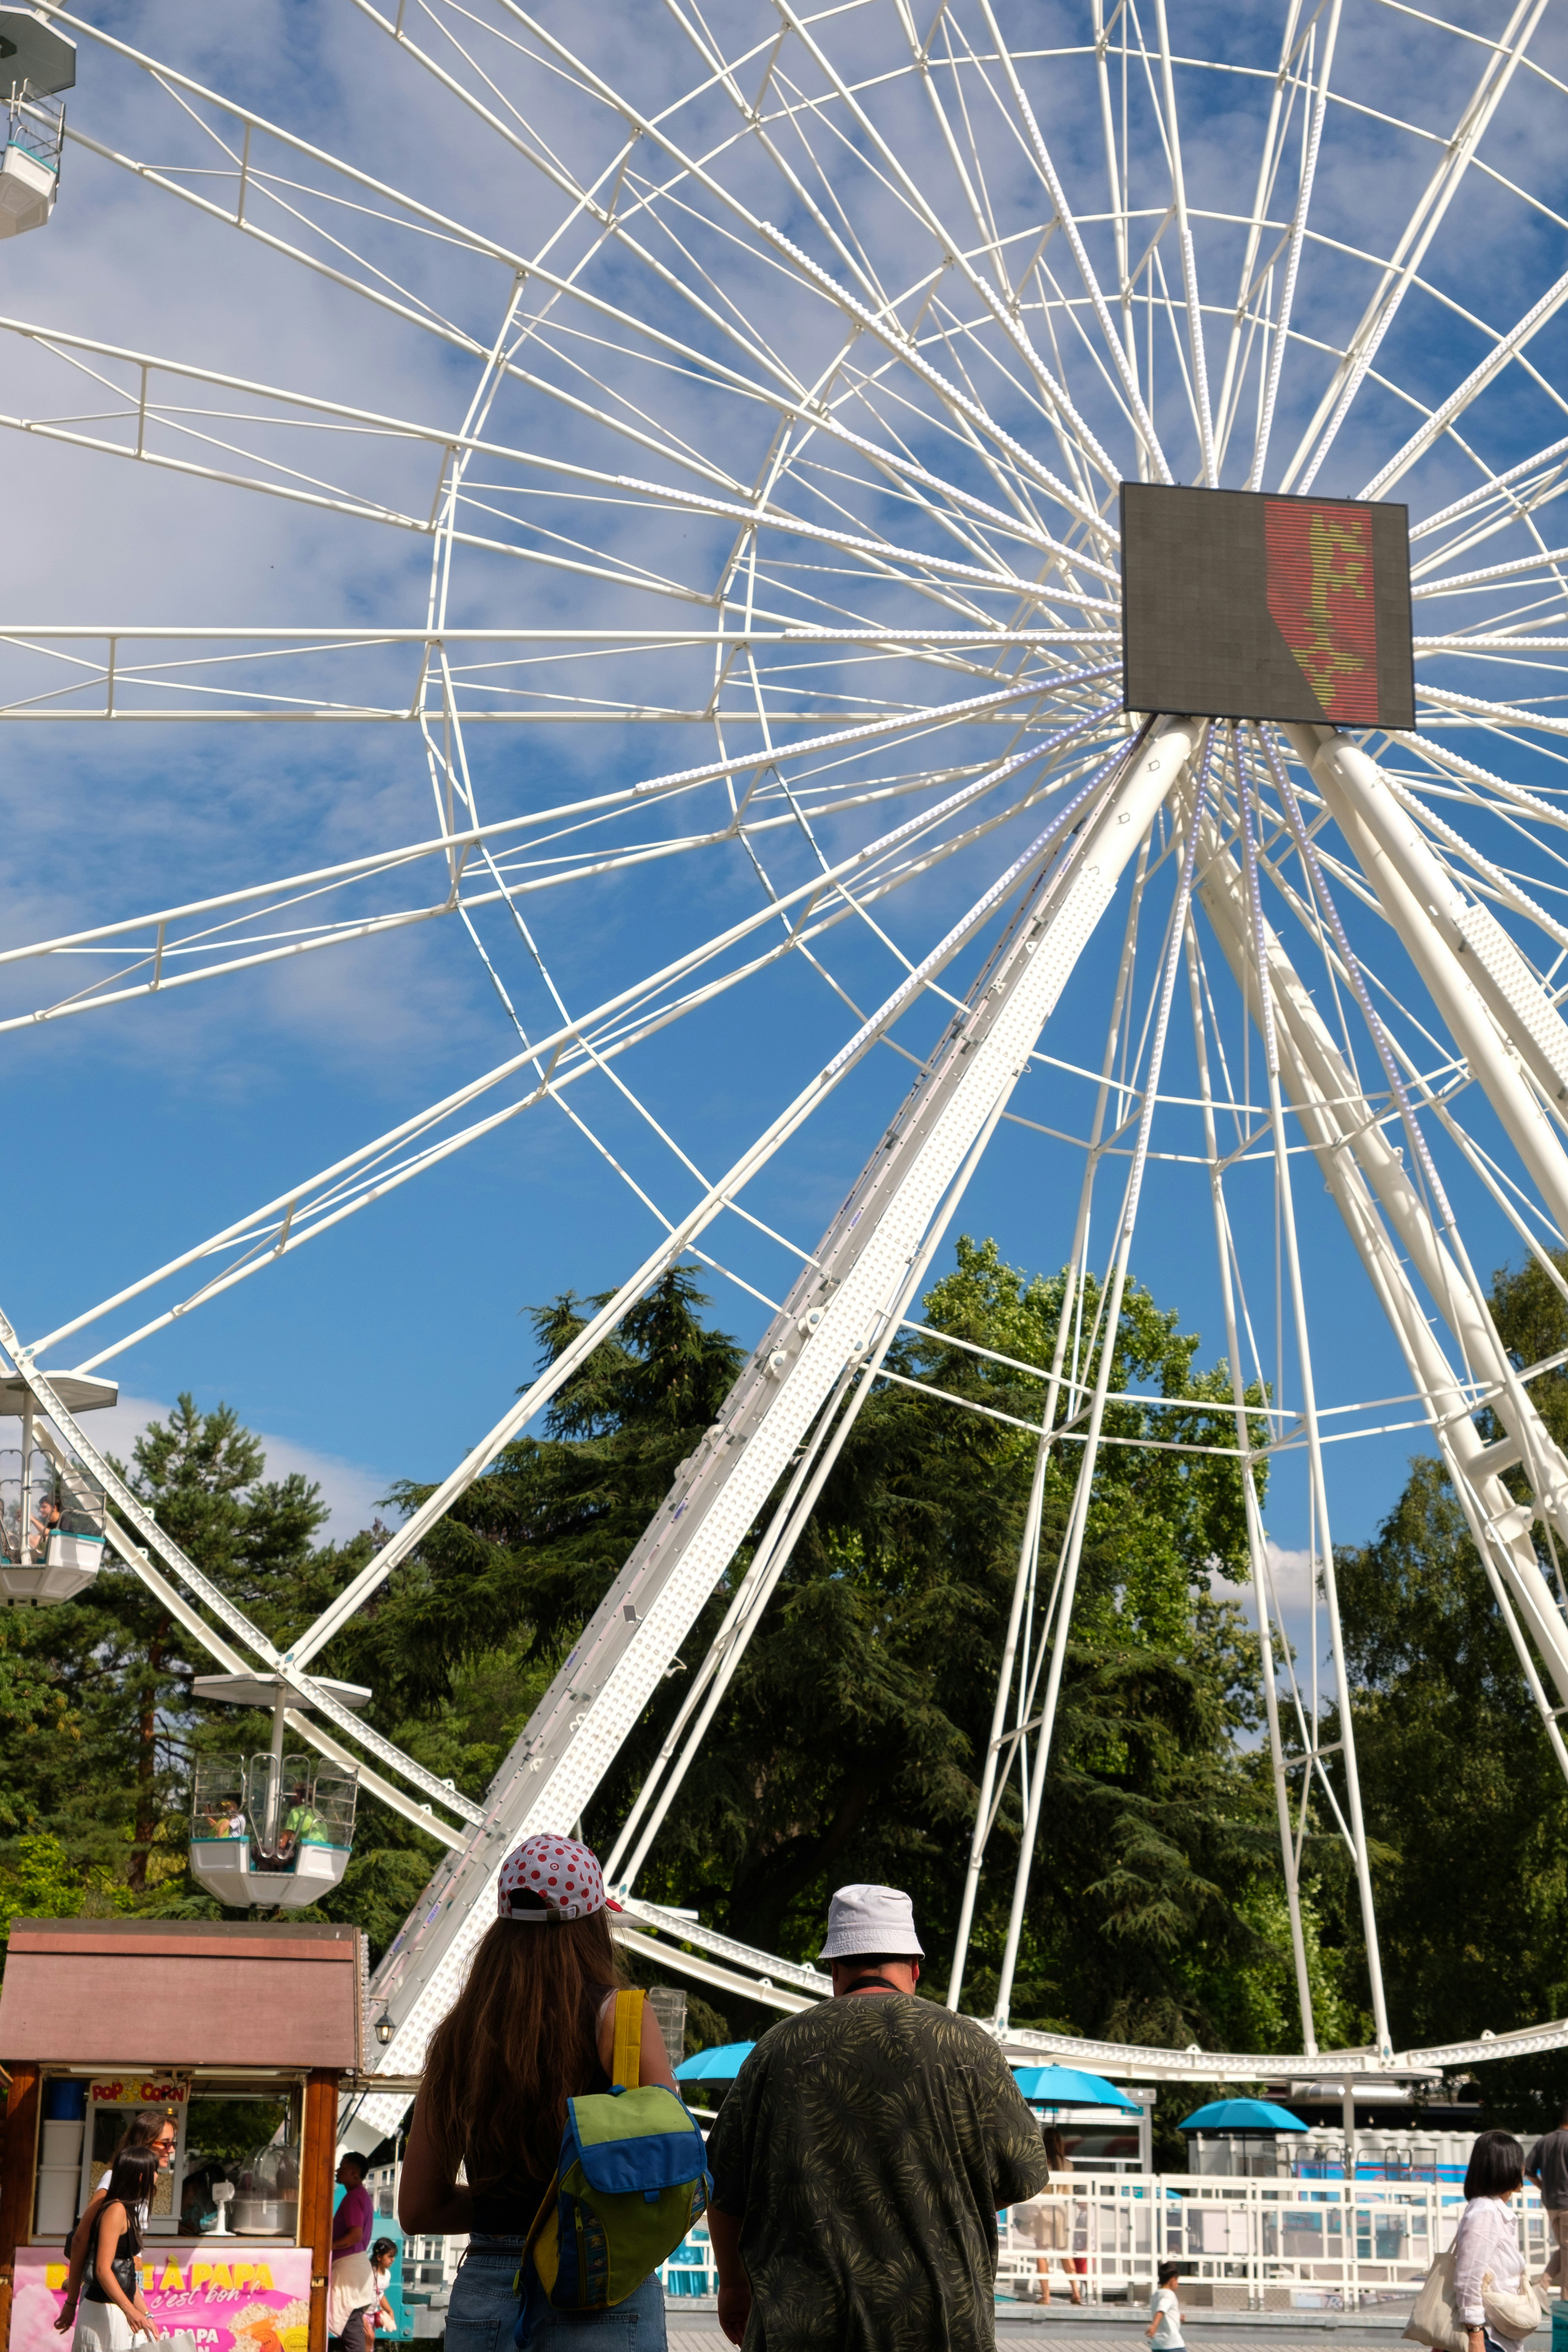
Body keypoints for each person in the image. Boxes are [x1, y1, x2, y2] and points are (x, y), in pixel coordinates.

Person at [706, 1882, 1051, 2352]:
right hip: (940, 2323)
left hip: (803, 2325)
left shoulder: (778, 2048)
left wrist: (734, 2285)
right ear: (913, 1967)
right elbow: (1024, 2173)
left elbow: (723, 2186)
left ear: (834, 1968)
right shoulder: (965, 2045)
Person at [398, 1831, 675, 2352]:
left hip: (493, 2295)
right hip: (603, 2291)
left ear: (503, 1924)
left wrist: (506, 2203)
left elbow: (419, 2210)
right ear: (596, 1922)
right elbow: (670, 2172)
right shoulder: (625, 2019)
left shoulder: (459, 2038)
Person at [56, 2116, 178, 2336]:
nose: (171, 2150)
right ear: (144, 2141)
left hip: (129, 2280)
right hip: (107, 2283)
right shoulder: (114, 2181)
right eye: (165, 2143)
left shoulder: (145, 2183)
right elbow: (81, 2239)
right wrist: (71, 2301)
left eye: (173, 2144)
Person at [71, 2146, 162, 2351]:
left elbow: (126, 2273)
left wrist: (146, 2315)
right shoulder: (116, 2210)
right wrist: (130, 2310)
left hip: (116, 2310)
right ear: (141, 2176)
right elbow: (103, 2269)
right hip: (102, 2313)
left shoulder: (128, 2209)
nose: (157, 2177)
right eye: (154, 2171)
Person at [1455, 2129, 1532, 2352]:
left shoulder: (1495, 2211)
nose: (1523, 2170)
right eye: (1519, 2163)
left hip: (1498, 2335)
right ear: (1504, 2167)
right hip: (1487, 2336)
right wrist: (1476, 2335)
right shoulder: (1485, 2213)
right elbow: (1468, 2277)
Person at [1012, 2129, 1081, 2305]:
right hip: (1062, 2213)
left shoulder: (1042, 2163)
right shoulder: (1068, 2165)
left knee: (1042, 2254)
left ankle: (1047, 2296)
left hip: (1043, 2213)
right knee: (1066, 2254)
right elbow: (1069, 2191)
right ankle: (1076, 2293)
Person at [327, 2154, 376, 2351]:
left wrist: (328, 2247)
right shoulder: (359, 2195)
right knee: (351, 2329)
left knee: (351, 2332)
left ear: (354, 2173)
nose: (338, 2171)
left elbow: (356, 2235)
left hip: (350, 2271)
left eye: (342, 2167)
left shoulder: (354, 2197)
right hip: (354, 2269)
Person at [1527, 2107, 1568, 2299]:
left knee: (1565, 2248)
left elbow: (1528, 2171)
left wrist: (1544, 2188)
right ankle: (1566, 2299)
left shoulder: (1545, 2141)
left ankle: (1542, 2285)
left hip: (1552, 2205)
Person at [1147, 2261, 1185, 2351]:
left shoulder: (1156, 2295)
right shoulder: (1169, 2295)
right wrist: (1154, 2326)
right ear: (1173, 2280)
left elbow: (1165, 2314)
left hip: (1157, 2345)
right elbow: (1161, 2310)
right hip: (1172, 2344)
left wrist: (1178, 2318)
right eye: (1177, 2281)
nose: (1178, 2284)